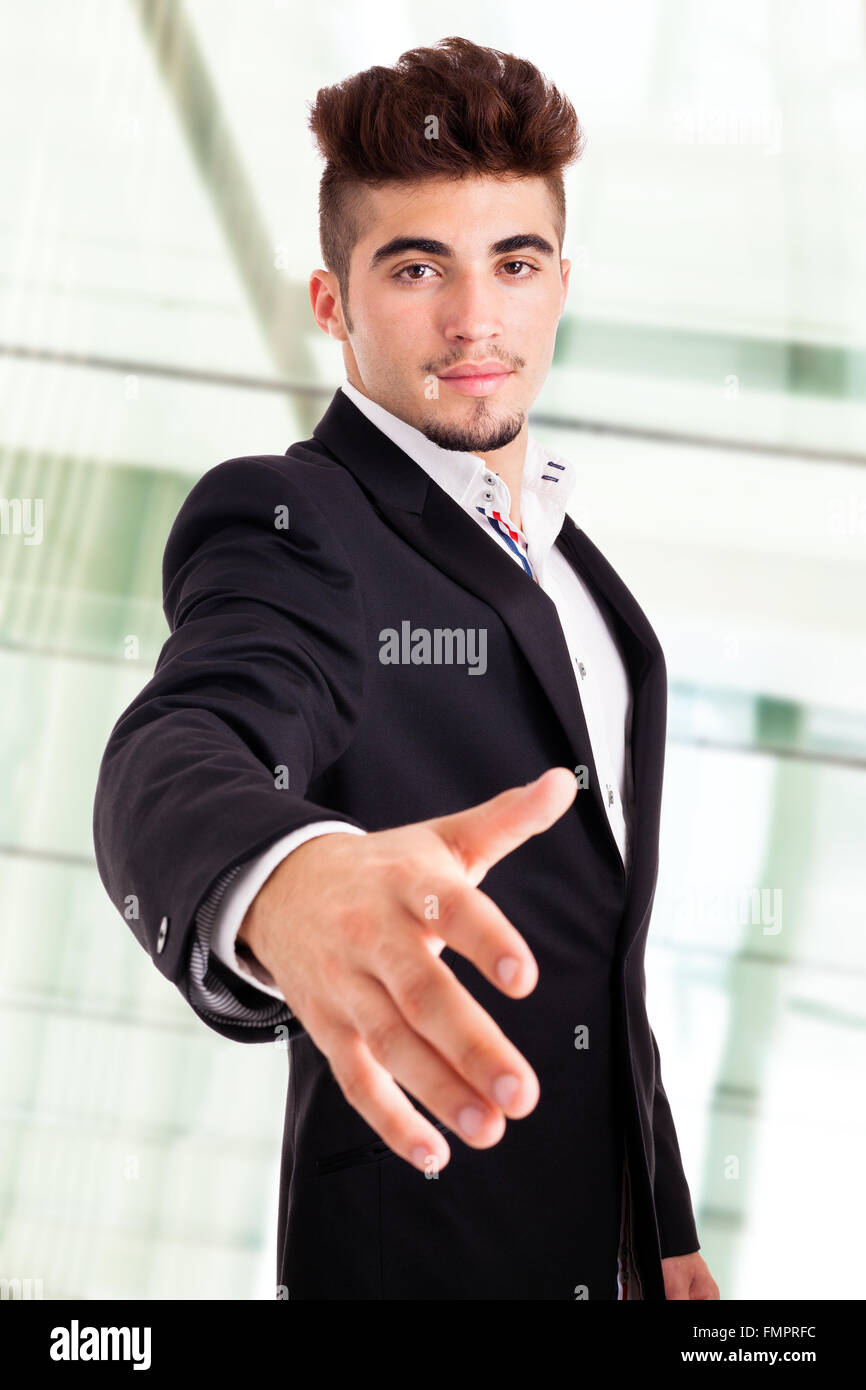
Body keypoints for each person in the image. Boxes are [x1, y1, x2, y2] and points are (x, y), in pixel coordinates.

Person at [93, 35, 719, 1301]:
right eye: (417, 266)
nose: (474, 319)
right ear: (332, 305)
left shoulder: (586, 583)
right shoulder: (294, 523)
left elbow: (597, 953)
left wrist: (660, 1229)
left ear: (558, 284)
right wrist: (288, 880)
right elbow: (183, 742)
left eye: (514, 262)